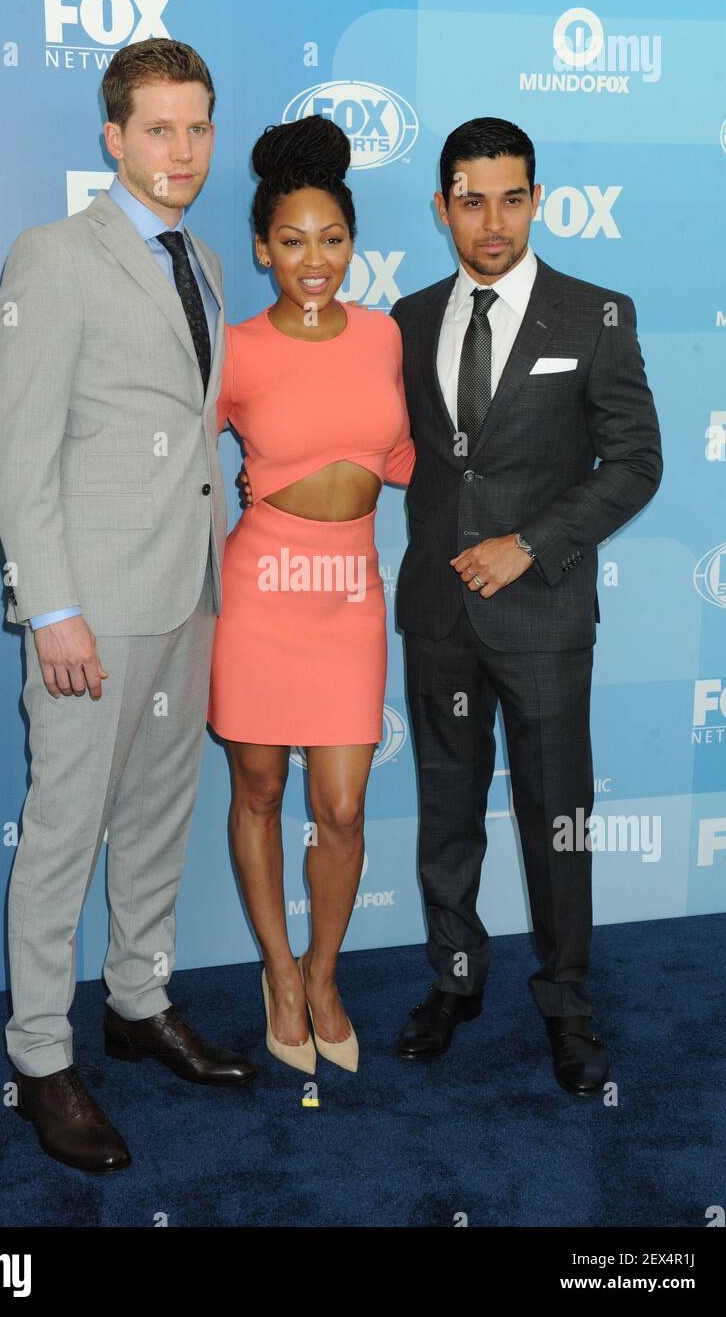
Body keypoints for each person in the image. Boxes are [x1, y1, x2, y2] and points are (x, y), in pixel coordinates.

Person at [0, 38, 255, 1175]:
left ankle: (137, 1003)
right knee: (62, 835)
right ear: (113, 135)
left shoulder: (202, 258)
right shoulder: (55, 254)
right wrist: (52, 609)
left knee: (154, 821)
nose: (183, 150)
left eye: (197, 127)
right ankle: (41, 1056)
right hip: (90, 608)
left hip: (187, 592)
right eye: (159, 128)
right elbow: (18, 447)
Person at [389, 117, 662, 1095]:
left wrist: (530, 544)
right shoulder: (408, 317)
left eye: (511, 197)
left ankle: (568, 1008)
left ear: (537, 200)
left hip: (541, 613)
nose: (492, 220)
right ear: (441, 207)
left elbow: (636, 463)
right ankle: (454, 981)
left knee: (556, 818)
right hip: (437, 617)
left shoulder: (595, 315)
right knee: (446, 813)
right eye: (471, 199)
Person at [208, 115, 415, 1074]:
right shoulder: (235, 349)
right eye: (291, 240)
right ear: (261, 248)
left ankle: (325, 971)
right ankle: (279, 975)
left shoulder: (385, 336)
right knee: (258, 788)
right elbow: (178, 465)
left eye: (330, 238)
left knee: (341, 807)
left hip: (348, 593)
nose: (313, 257)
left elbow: (410, 455)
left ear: (352, 242)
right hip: (263, 586)